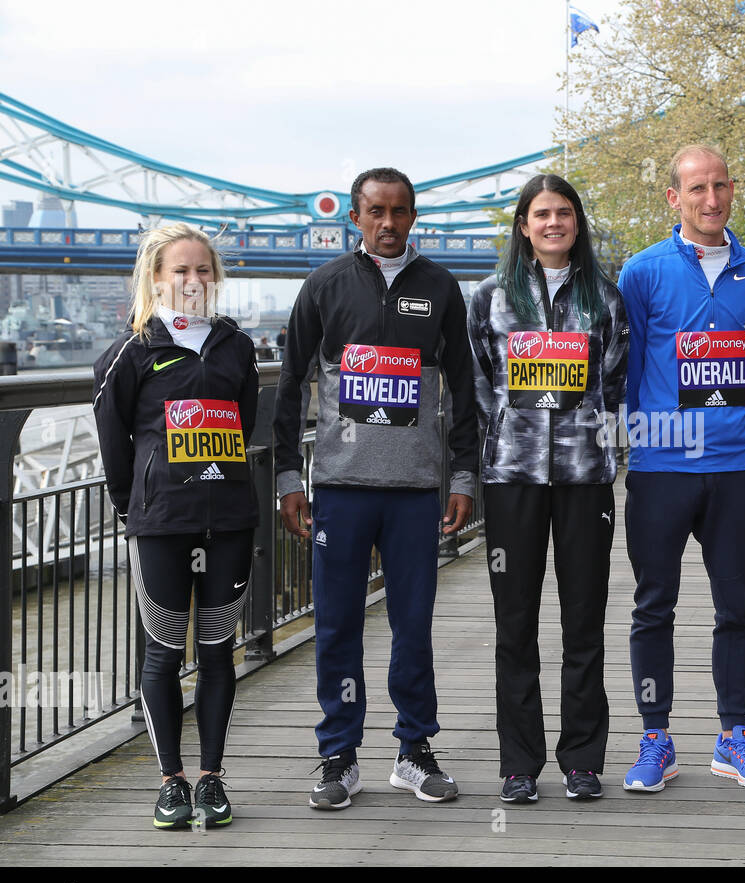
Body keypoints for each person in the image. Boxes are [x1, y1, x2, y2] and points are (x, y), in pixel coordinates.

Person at [274, 167, 479, 810]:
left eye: (399, 212)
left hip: (416, 489)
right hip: (340, 486)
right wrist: (287, 476)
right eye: (375, 212)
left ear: (414, 217)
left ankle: (414, 750)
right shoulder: (324, 286)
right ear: (356, 219)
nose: (388, 224)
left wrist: (464, 475)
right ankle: (338, 754)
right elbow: (288, 384)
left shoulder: (442, 288)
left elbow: (466, 390)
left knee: (412, 626)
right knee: (337, 626)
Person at [617, 144, 745, 791]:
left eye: (720, 187)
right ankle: (655, 736)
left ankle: (733, 734)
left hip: (737, 466)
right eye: (697, 189)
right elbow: (626, 372)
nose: (710, 200)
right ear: (673, 199)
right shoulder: (641, 272)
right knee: (654, 606)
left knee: (735, 608)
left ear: (732, 191)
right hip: (660, 468)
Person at [92, 223, 259, 829]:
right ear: (156, 279)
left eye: (203, 271)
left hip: (230, 520)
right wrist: (130, 508)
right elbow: (114, 442)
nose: (193, 282)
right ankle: (171, 782)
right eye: (180, 271)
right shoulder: (129, 352)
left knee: (217, 651)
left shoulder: (238, 347)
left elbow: (243, 428)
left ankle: (212, 778)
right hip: (162, 524)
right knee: (163, 652)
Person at [467, 174, 627, 802]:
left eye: (564, 213)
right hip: (512, 478)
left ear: (577, 223)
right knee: (515, 623)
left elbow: (613, 378)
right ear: (524, 226)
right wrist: (509, 432)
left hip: (585, 478)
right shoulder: (489, 297)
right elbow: (479, 380)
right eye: (541, 214)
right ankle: (519, 764)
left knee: (583, 620)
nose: (554, 223)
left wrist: (585, 432)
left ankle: (583, 759)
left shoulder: (605, 299)